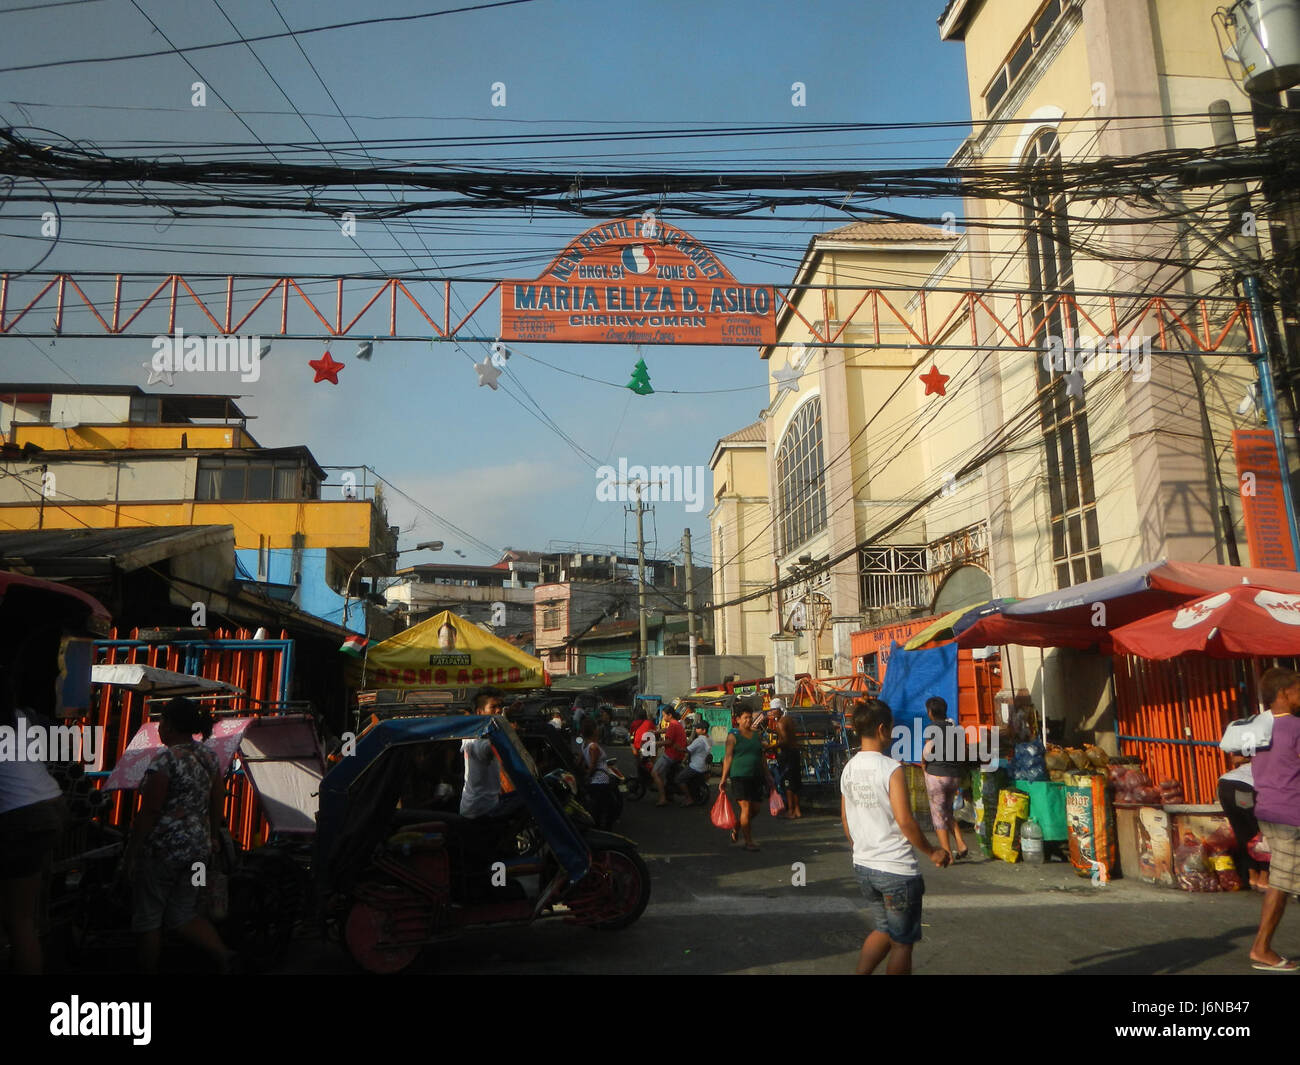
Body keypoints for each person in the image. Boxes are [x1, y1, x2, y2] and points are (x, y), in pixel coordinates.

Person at [125, 697, 238, 974]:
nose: (160, 727)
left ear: (172, 726)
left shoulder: (166, 759)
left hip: (163, 851)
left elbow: (150, 811)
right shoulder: (209, 757)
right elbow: (217, 800)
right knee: (183, 914)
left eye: (162, 721)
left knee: (149, 917)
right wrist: (212, 837)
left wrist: (131, 854)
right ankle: (224, 955)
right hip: (198, 851)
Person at [841, 698, 950, 975]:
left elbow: (846, 819)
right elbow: (905, 821)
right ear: (881, 729)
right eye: (890, 728)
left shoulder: (849, 768)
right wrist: (933, 851)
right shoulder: (891, 768)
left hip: (864, 866)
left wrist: (861, 848)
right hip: (896, 871)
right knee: (902, 943)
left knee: (885, 929)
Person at [0, 622, 70, 975]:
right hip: (50, 807)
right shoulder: (21, 719)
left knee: (18, 920)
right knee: (27, 915)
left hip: (23, 819)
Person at [1247, 666, 1300, 970]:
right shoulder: (1294, 727)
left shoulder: (1259, 727)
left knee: (1285, 877)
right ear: (1283, 694)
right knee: (1281, 883)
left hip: (1267, 808)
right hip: (1291, 813)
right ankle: (1261, 948)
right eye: (1298, 689)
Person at [921, 696, 970, 860]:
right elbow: (963, 753)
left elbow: (927, 751)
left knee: (938, 814)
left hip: (937, 775)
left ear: (930, 713)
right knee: (947, 811)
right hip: (954, 776)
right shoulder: (957, 729)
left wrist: (923, 766)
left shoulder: (931, 729)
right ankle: (961, 844)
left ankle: (947, 853)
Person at [719, 706, 774, 850]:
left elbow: (761, 757)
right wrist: (723, 778)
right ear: (737, 720)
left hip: (756, 775)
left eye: (750, 717)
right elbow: (728, 757)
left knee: (755, 809)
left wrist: (768, 775)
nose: (748, 720)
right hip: (739, 776)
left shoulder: (756, 735)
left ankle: (736, 827)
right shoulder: (733, 736)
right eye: (745, 718)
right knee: (746, 807)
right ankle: (748, 841)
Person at [1219, 754, 1268, 892]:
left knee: (1242, 834)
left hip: (1224, 784)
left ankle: (1252, 876)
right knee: (1262, 833)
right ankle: (1264, 877)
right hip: (1247, 787)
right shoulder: (1273, 761)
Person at [460, 686, 507, 817]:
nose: (499, 710)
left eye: (500, 706)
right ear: (480, 712)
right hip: (480, 811)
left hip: (478, 806)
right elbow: (487, 748)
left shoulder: (471, 733)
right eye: (493, 707)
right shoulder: (480, 742)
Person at [770, 700, 803, 820]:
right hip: (795, 753)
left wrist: (771, 747)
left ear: (779, 709)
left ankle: (790, 810)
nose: (772, 712)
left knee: (788, 784)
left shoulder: (780, 723)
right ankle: (798, 810)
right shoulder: (789, 720)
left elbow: (784, 741)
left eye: (774, 709)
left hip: (787, 754)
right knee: (795, 783)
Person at [580, 719, 615, 829]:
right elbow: (593, 766)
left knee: (598, 807)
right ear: (594, 731)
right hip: (600, 780)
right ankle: (601, 829)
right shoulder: (593, 747)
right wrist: (587, 776)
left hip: (596, 781)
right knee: (604, 807)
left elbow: (580, 762)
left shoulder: (584, 745)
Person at [653, 706, 688, 808]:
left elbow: (669, 741)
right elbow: (666, 730)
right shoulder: (677, 724)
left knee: (655, 773)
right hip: (678, 754)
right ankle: (669, 793)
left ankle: (662, 798)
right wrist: (655, 732)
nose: (663, 717)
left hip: (672, 755)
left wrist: (655, 743)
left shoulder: (673, 725)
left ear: (670, 715)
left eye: (664, 715)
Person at [676, 723, 712, 806]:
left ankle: (689, 798)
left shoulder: (699, 740)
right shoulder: (709, 738)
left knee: (679, 779)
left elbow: (687, 750)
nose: (696, 730)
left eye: (698, 728)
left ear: (704, 730)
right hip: (704, 766)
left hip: (695, 766)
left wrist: (677, 748)